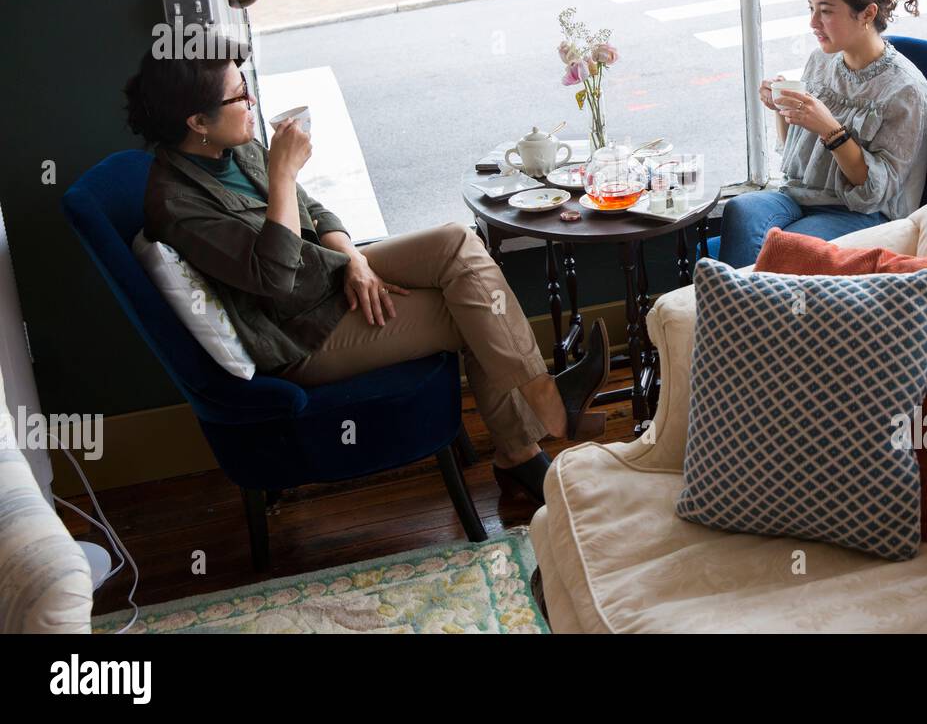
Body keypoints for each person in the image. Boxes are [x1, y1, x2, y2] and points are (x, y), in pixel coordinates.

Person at [123, 41, 608, 506]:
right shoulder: (178, 204)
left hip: (328, 275)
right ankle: (527, 441)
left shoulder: (230, 147)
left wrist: (355, 259)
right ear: (196, 121)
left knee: (456, 241)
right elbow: (273, 278)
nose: (251, 99)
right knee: (470, 305)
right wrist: (283, 176)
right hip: (301, 332)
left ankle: (538, 415)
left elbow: (312, 210)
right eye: (238, 94)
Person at [718, 0, 927, 268]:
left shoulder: (906, 91)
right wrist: (782, 108)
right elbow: (792, 149)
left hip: (860, 214)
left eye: (826, 11)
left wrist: (830, 130)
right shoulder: (822, 60)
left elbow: (876, 191)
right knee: (740, 210)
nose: (813, 23)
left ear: (867, 14)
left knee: (787, 247)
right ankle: (745, 306)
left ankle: (739, 308)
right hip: (799, 196)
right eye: (811, 9)